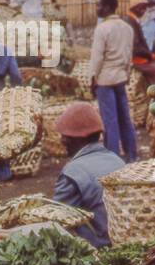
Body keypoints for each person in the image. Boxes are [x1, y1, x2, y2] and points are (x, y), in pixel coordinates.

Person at [52, 102, 125, 247]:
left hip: (98, 247)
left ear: (77, 138)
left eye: (65, 136)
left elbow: (56, 220)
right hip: (123, 239)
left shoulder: (72, 173)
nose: (62, 141)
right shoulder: (117, 160)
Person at [89, 0, 136, 161]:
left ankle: (113, 157)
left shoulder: (102, 29)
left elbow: (97, 57)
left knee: (109, 121)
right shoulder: (127, 28)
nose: (97, 9)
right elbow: (128, 55)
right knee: (125, 118)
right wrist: (127, 74)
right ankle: (131, 154)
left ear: (108, 7)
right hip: (121, 77)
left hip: (105, 80)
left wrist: (93, 78)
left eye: (99, 5)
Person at [126, 0, 155, 82]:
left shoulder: (133, 20)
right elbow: (135, 47)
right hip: (134, 60)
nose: (144, 11)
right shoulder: (130, 21)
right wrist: (151, 56)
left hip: (139, 57)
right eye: (142, 8)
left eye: (145, 8)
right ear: (135, 8)